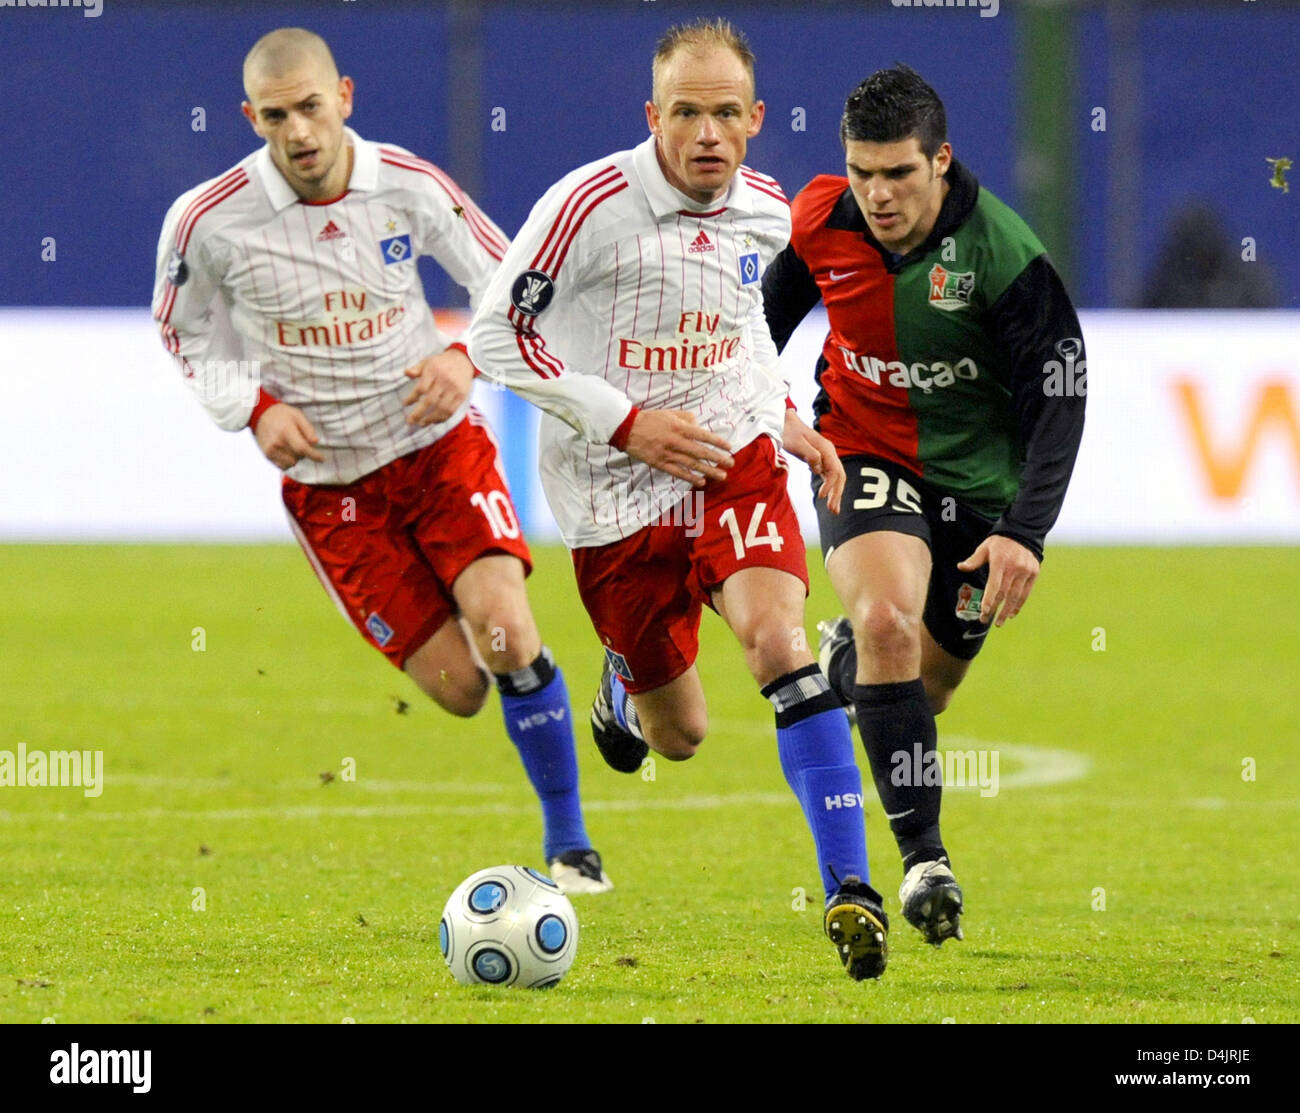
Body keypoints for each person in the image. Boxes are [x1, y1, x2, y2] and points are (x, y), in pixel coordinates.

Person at [467, 18, 891, 980]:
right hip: (611, 497)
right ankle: (622, 685)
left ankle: (850, 890)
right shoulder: (587, 206)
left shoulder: (769, 211)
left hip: (728, 461)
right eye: (688, 113)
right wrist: (622, 421)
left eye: (726, 113)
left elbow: (744, 328)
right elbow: (496, 338)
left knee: (780, 644)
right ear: (653, 116)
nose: (708, 133)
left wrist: (780, 412)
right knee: (680, 734)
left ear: (756, 120)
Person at [150, 27, 612, 894]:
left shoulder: (407, 183)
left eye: (313, 108)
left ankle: (571, 844)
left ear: (346, 97)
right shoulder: (207, 221)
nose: (300, 133)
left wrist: (462, 360)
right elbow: (184, 328)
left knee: (505, 626)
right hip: (333, 491)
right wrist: (254, 406)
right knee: (463, 688)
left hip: (436, 450)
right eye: (277, 115)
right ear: (252, 117)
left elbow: (511, 281)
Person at [762, 65, 1087, 946]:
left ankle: (846, 664)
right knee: (886, 622)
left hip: (982, 492)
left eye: (898, 173)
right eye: (862, 172)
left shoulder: (1005, 254)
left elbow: (1062, 397)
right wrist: (773, 409)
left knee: (923, 690)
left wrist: (1025, 534)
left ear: (940, 161)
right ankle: (924, 861)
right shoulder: (821, 220)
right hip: (864, 453)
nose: (877, 194)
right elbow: (758, 330)